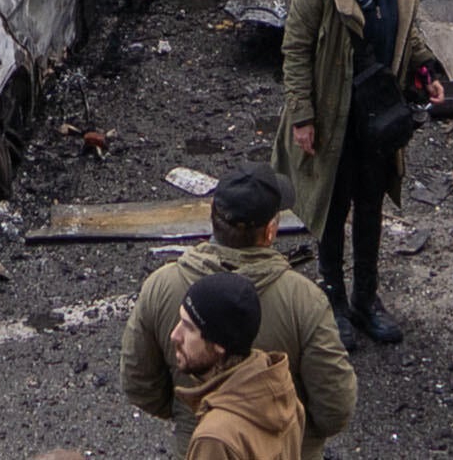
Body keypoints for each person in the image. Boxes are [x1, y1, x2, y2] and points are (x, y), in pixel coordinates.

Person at [277, 0, 443, 340]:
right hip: (335, 115)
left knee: (371, 207)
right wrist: (303, 116)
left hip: (378, 114)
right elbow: (295, 49)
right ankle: (333, 301)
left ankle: (366, 299)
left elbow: (407, 32)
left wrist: (425, 67)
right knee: (332, 209)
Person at [125, 172, 360, 448]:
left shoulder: (161, 286)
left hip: (199, 446)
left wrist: (190, 412)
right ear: (271, 231)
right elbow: (335, 407)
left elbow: (138, 382)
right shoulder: (305, 300)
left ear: (212, 218)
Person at [163, 269, 312, 460]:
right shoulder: (280, 388)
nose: (175, 335)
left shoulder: (215, 439)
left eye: (189, 327)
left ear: (218, 345)